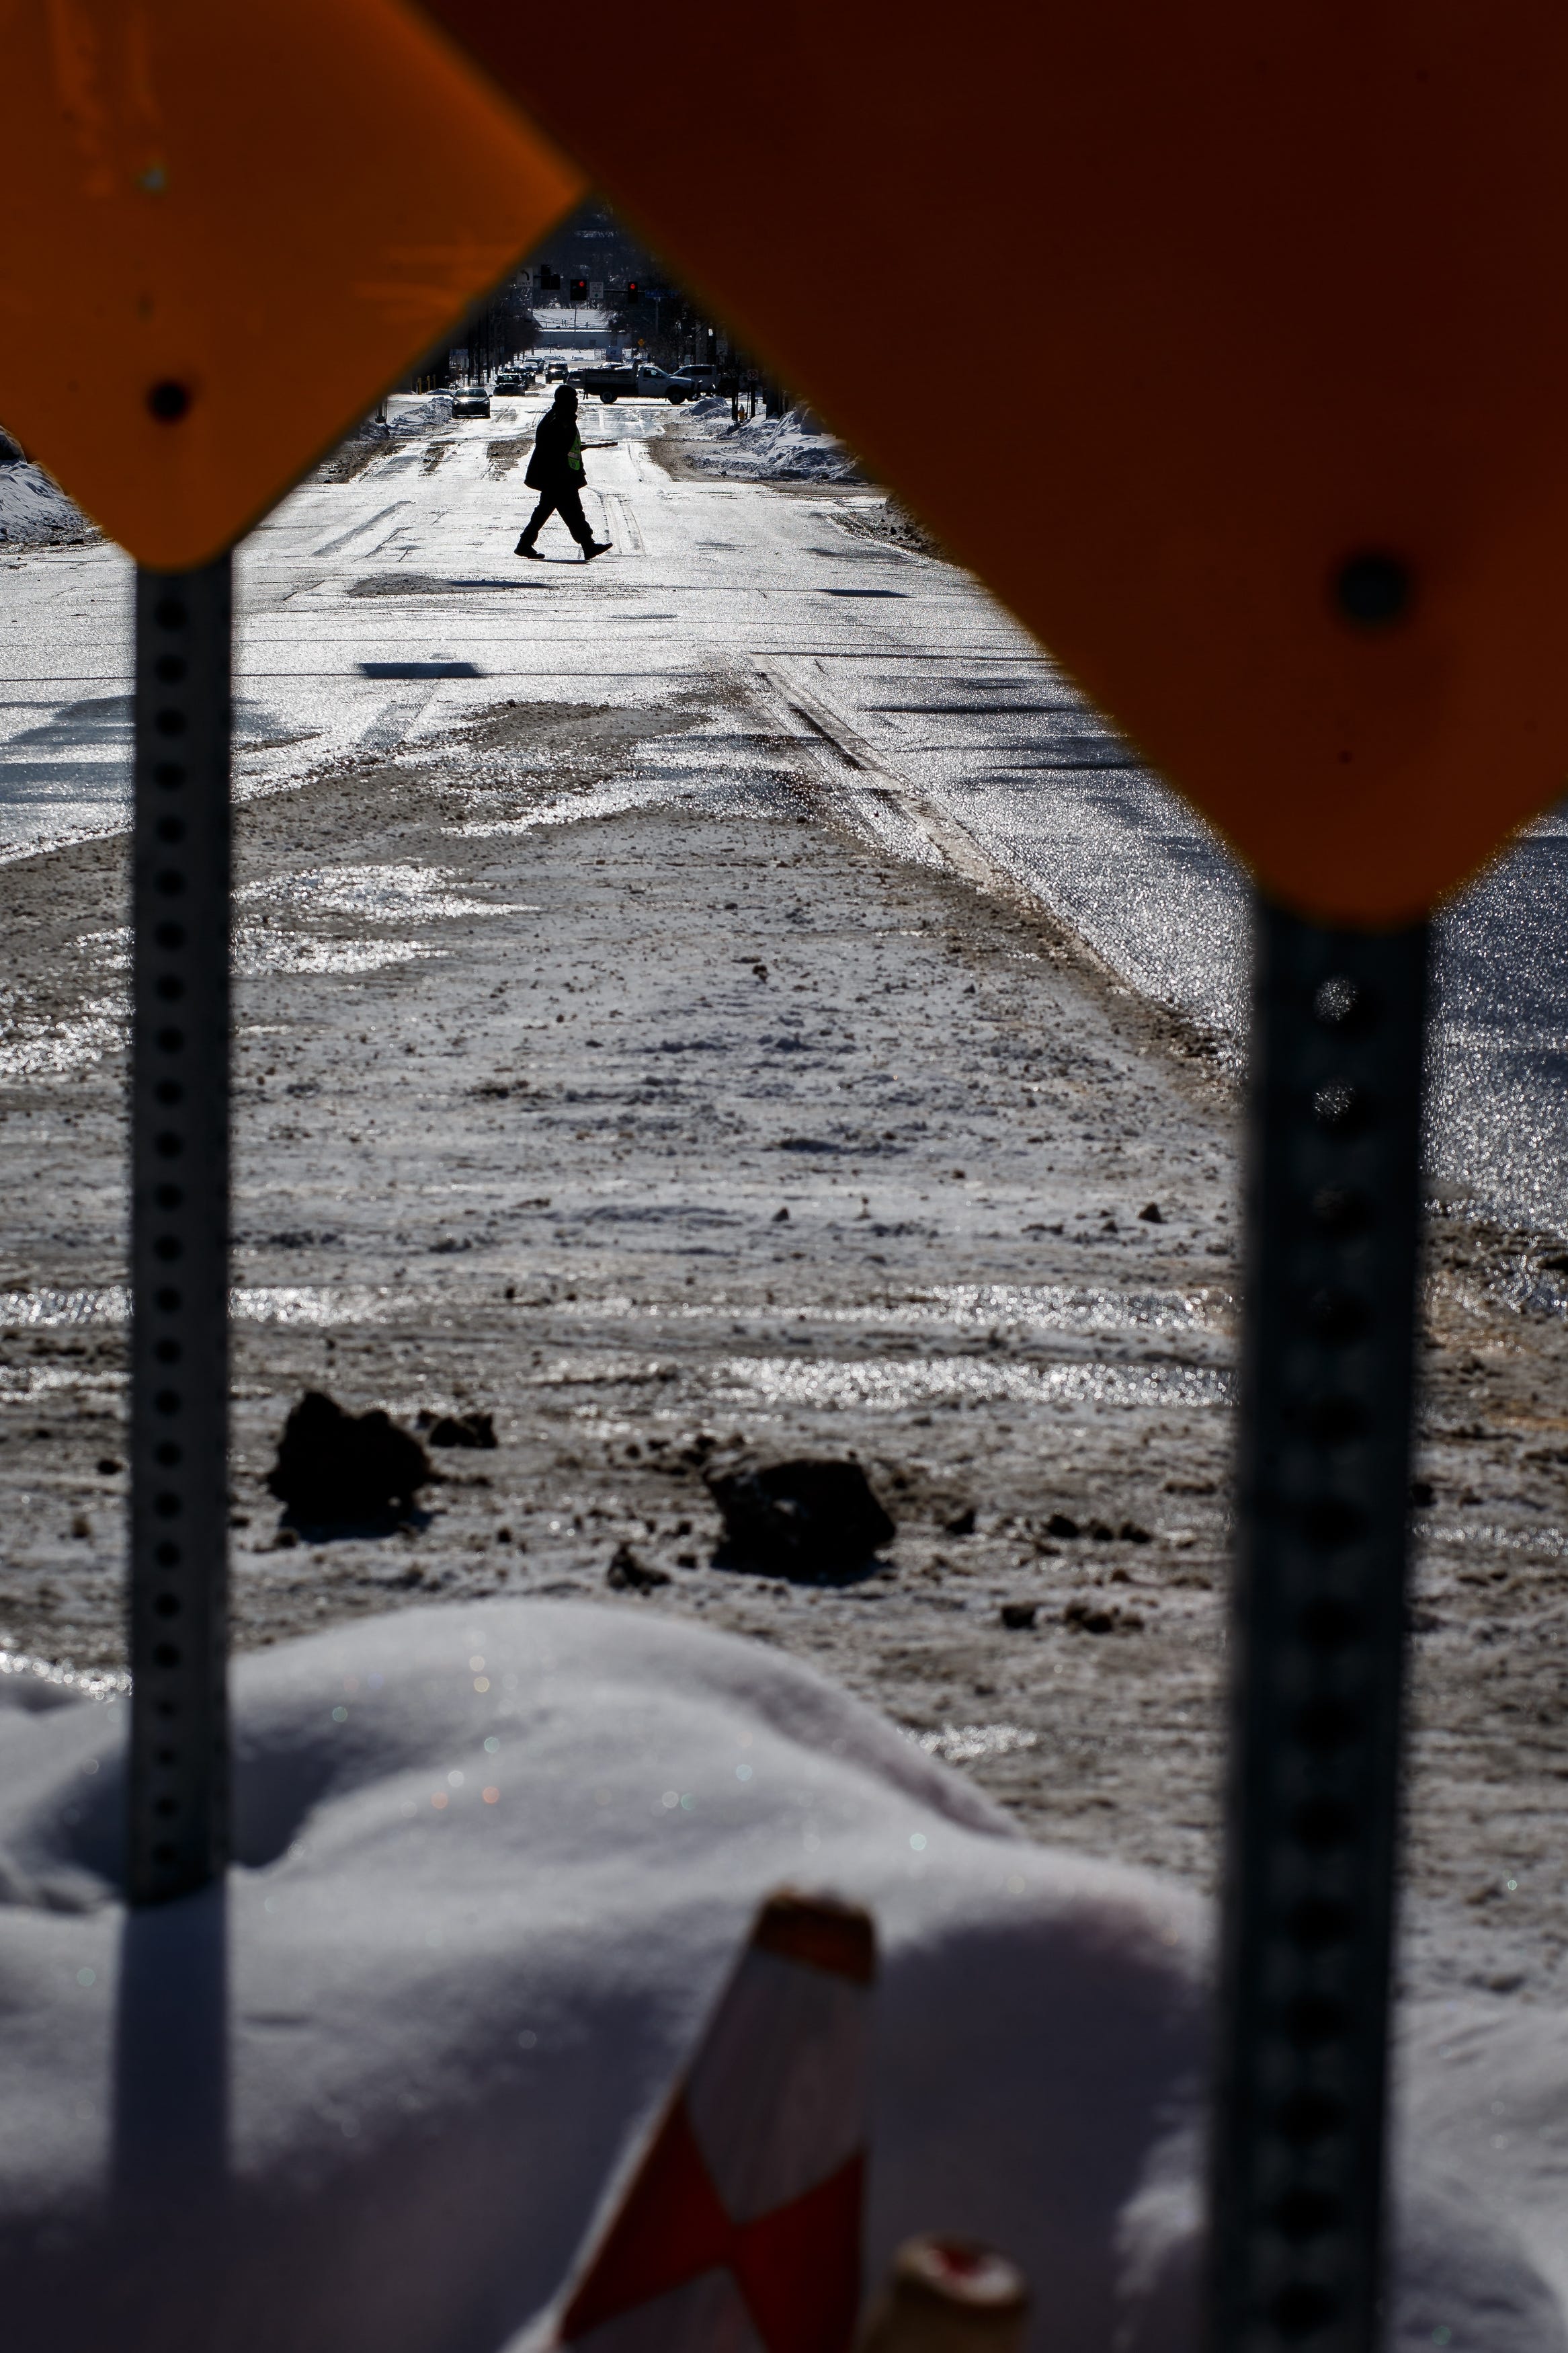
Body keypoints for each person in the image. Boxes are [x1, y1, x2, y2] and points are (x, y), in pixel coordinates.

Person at [515, 385, 611, 561]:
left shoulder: (559, 416)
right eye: (574, 398)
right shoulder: (559, 419)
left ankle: (525, 544)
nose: (577, 402)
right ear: (565, 401)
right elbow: (554, 448)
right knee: (572, 512)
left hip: (558, 476)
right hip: (558, 477)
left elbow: (562, 445)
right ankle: (588, 545)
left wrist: (578, 447)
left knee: (551, 511)